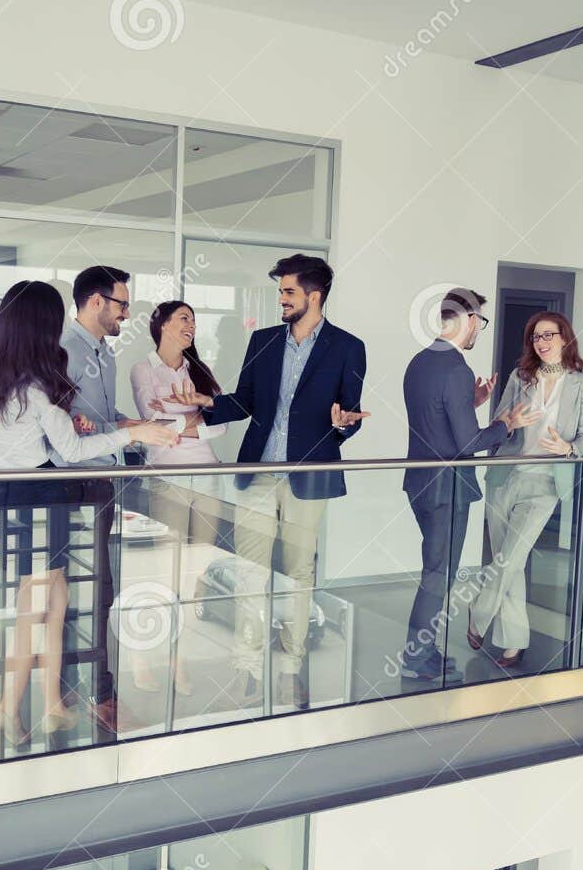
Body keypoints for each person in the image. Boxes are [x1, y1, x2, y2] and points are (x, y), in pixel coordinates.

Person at [160, 254, 368, 711]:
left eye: (288, 292)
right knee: (250, 571)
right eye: (280, 292)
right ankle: (248, 665)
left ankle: (293, 666)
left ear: (314, 295)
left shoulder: (348, 348)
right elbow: (246, 401)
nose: (282, 300)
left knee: (298, 572)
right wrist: (208, 402)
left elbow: (348, 414)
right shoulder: (264, 340)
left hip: (307, 477)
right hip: (257, 473)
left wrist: (342, 426)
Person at [0, 280, 177, 746]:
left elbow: (24, 440)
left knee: (52, 599)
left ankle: (50, 705)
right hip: (42, 497)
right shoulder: (36, 389)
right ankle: (10, 708)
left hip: (12, 494)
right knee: (36, 607)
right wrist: (134, 434)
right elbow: (71, 450)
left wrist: (69, 422)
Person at [401, 289, 536, 682]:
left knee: (434, 568)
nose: (479, 330)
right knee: (439, 573)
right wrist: (505, 424)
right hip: (448, 488)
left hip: (420, 482)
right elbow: (468, 443)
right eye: (481, 322)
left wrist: (471, 403)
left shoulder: (420, 361)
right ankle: (415, 658)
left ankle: (424, 651)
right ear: (471, 319)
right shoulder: (457, 369)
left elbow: (436, 419)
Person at [467, 312, 583, 669]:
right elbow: (499, 423)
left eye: (548, 335)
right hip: (504, 476)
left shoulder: (580, 384)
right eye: (536, 337)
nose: (541, 342)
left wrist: (567, 448)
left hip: (545, 484)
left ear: (565, 338)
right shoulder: (520, 377)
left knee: (509, 559)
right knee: (509, 561)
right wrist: (510, 422)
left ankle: (479, 613)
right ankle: (513, 643)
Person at [128, 300, 228, 695]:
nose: (192, 325)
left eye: (194, 320)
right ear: (163, 325)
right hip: (168, 479)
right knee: (163, 572)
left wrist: (180, 421)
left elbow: (221, 424)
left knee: (192, 574)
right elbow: (153, 424)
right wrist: (195, 419)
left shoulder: (201, 371)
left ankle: (177, 658)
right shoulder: (143, 369)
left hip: (208, 478)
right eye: (184, 318)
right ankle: (140, 656)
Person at [57, 265, 136, 734]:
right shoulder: (63, 349)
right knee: (74, 588)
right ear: (96, 302)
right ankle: (91, 689)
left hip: (103, 479)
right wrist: (117, 430)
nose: (126, 313)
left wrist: (127, 423)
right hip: (73, 484)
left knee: (102, 587)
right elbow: (63, 425)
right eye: (121, 304)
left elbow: (97, 415)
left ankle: (91, 685)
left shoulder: (106, 352)